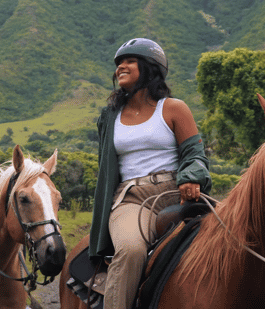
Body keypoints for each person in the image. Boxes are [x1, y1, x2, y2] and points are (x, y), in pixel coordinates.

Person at [88, 38, 212, 309]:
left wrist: (191, 177)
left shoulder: (174, 108)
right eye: (119, 62)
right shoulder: (109, 116)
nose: (121, 66)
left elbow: (195, 154)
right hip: (133, 199)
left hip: (177, 192)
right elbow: (107, 170)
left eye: (130, 61)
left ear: (150, 68)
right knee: (131, 250)